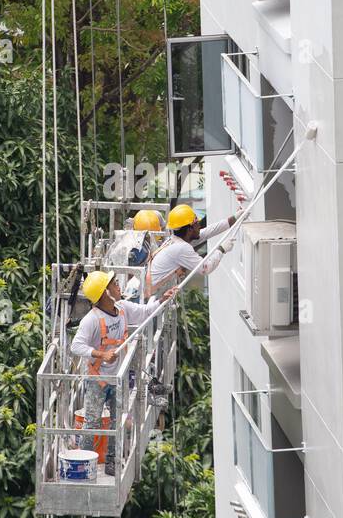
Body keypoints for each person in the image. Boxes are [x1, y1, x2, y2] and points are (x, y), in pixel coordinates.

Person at [70, 269, 175, 477]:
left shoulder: (123, 308)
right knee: (92, 422)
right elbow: (76, 346)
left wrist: (163, 299)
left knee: (118, 420)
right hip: (97, 380)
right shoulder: (91, 320)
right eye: (114, 284)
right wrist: (100, 353)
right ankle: (84, 462)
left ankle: (112, 461)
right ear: (104, 294)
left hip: (118, 378)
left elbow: (146, 312)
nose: (118, 285)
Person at [145, 203, 237, 299]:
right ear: (189, 229)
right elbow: (206, 268)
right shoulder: (181, 248)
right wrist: (221, 249)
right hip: (144, 294)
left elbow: (208, 231)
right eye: (197, 223)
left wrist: (234, 218)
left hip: (144, 286)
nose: (199, 225)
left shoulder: (175, 239)